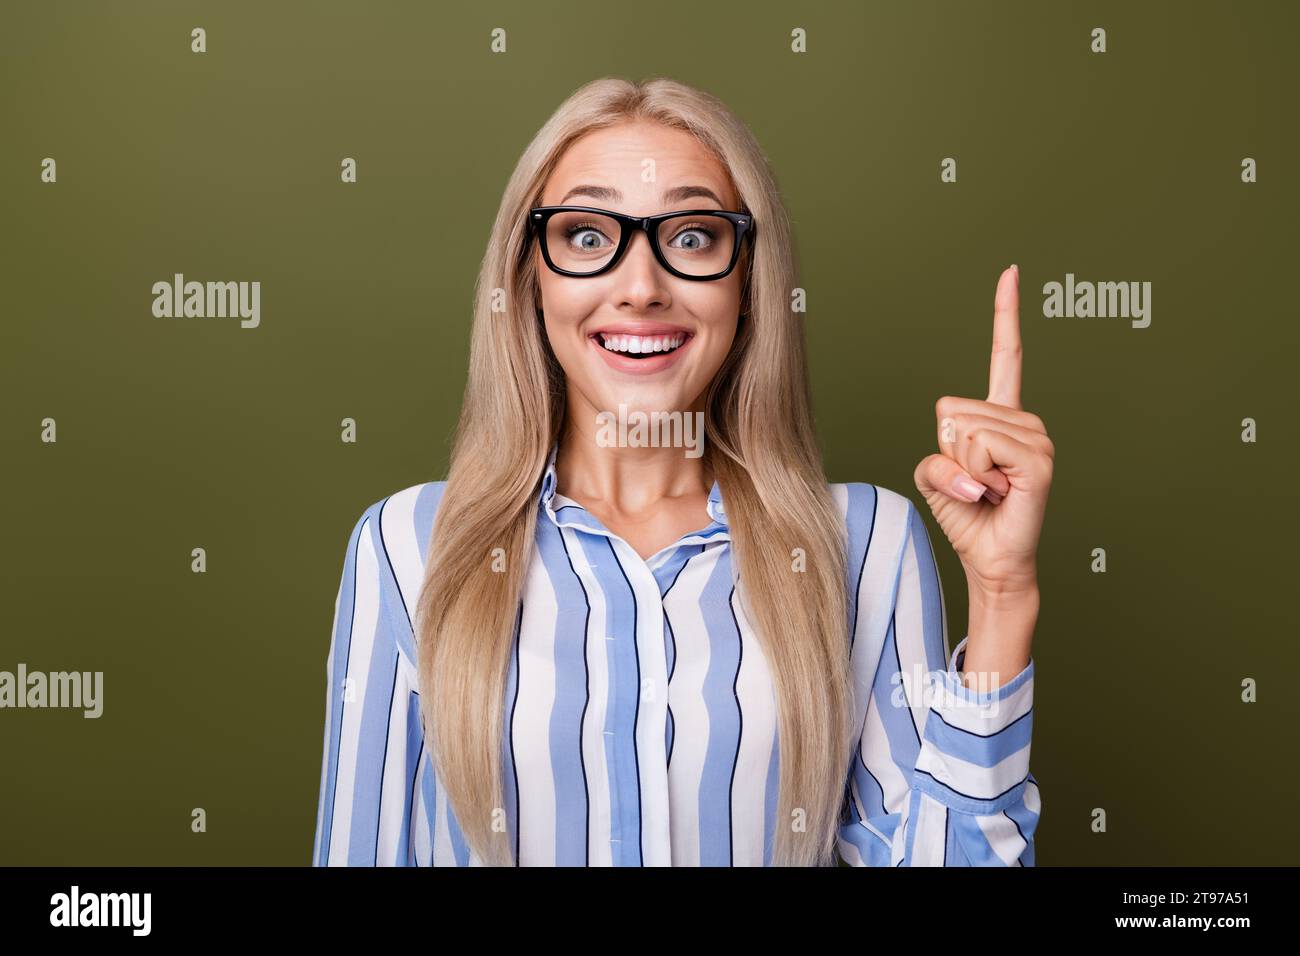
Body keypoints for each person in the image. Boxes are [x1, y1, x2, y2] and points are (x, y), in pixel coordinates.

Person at [312, 76, 1053, 867]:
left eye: (694, 236)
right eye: (589, 237)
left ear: (749, 285)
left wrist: (1003, 594)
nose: (641, 288)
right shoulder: (408, 548)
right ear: (531, 280)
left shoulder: (866, 546)